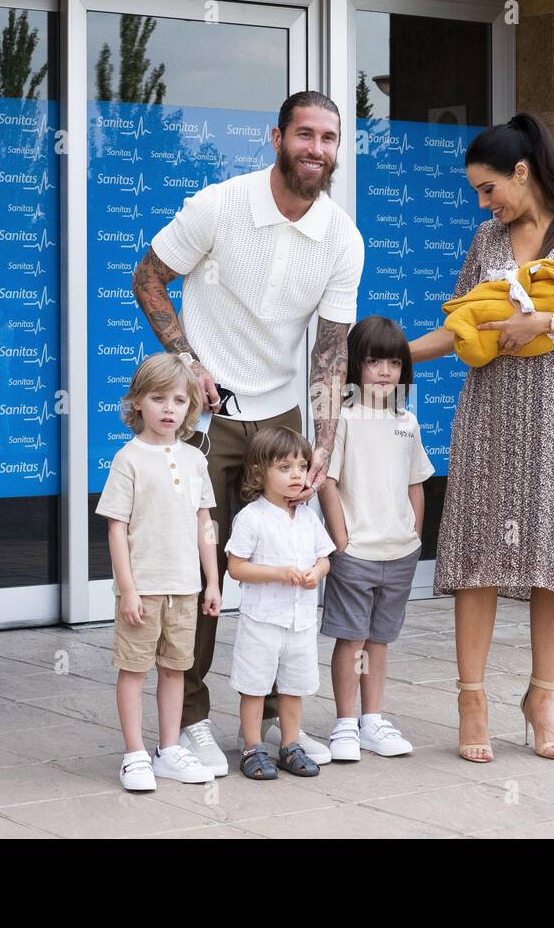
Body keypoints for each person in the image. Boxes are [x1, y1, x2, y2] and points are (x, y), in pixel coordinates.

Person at [130, 91, 364, 774]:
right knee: (199, 566)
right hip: (206, 418)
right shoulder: (220, 206)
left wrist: (324, 442)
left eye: (328, 138)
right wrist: (187, 361)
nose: (316, 149)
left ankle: (274, 723)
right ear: (277, 137)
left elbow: (330, 350)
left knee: (285, 573)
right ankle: (194, 719)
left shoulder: (342, 239)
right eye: (305, 135)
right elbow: (148, 278)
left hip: (281, 418)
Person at [408, 113, 554, 764]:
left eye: (488, 188)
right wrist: (390, 354)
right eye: (478, 193)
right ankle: (471, 698)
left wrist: (545, 321)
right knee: (480, 548)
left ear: (522, 172)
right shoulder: (486, 240)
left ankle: (541, 697)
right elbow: (460, 325)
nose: (484, 203)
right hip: (493, 410)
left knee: (553, 556)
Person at [95, 353, 223, 790]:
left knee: (175, 669)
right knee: (133, 669)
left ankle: (169, 749)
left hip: (185, 589)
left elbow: (205, 523)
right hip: (144, 589)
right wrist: (127, 589)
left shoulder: (195, 460)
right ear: (136, 404)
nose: (169, 409)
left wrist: (212, 581)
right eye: (158, 398)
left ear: (192, 407)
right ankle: (134, 754)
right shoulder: (128, 458)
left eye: (179, 400)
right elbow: (117, 528)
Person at [317, 316, 434, 761]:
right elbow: (328, 480)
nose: (384, 372)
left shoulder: (408, 422)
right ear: (354, 367)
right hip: (356, 552)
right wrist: (341, 541)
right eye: (373, 362)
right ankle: (345, 723)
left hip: (399, 551)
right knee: (350, 639)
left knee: (380, 640)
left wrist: (415, 536)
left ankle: (372, 720)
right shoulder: (343, 419)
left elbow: (415, 483)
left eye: (393, 362)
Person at [225, 427, 336, 780]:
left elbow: (325, 557)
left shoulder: (307, 516)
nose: (297, 475)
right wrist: (277, 573)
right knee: (255, 686)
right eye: (285, 467)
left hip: (299, 622)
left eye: (302, 467)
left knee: (294, 687)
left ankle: (290, 745)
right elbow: (236, 566)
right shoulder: (251, 518)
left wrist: (317, 573)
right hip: (262, 621)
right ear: (260, 473)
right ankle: (253, 747)